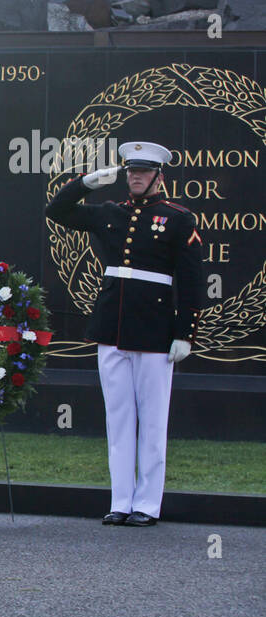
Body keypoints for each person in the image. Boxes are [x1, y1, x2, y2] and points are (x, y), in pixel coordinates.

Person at [45, 141, 203, 527]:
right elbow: (57, 210)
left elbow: (193, 280)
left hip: (154, 329)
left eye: (144, 171)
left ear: (158, 177)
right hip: (111, 326)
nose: (135, 176)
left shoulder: (178, 218)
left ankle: (147, 504)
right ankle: (120, 500)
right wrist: (85, 184)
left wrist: (186, 333)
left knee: (151, 421)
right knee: (117, 419)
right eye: (131, 170)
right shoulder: (109, 213)